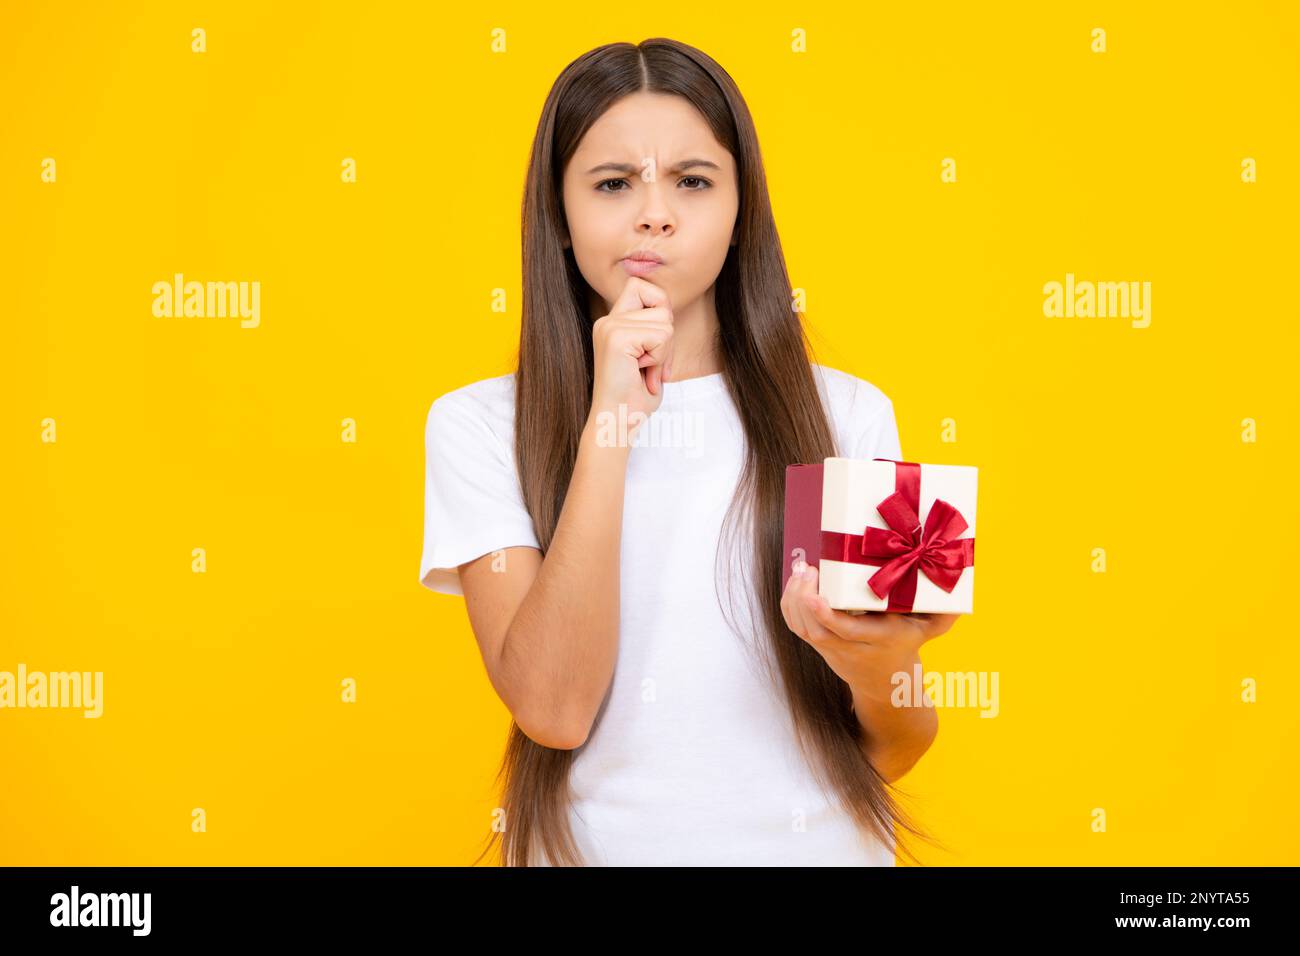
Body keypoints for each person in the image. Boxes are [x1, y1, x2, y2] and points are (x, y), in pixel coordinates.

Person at [420, 38, 958, 866]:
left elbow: (895, 748)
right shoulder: (479, 426)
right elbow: (554, 709)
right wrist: (610, 422)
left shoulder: (846, 414)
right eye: (612, 184)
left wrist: (884, 659)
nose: (654, 214)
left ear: (742, 211)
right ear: (559, 219)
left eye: (693, 181)